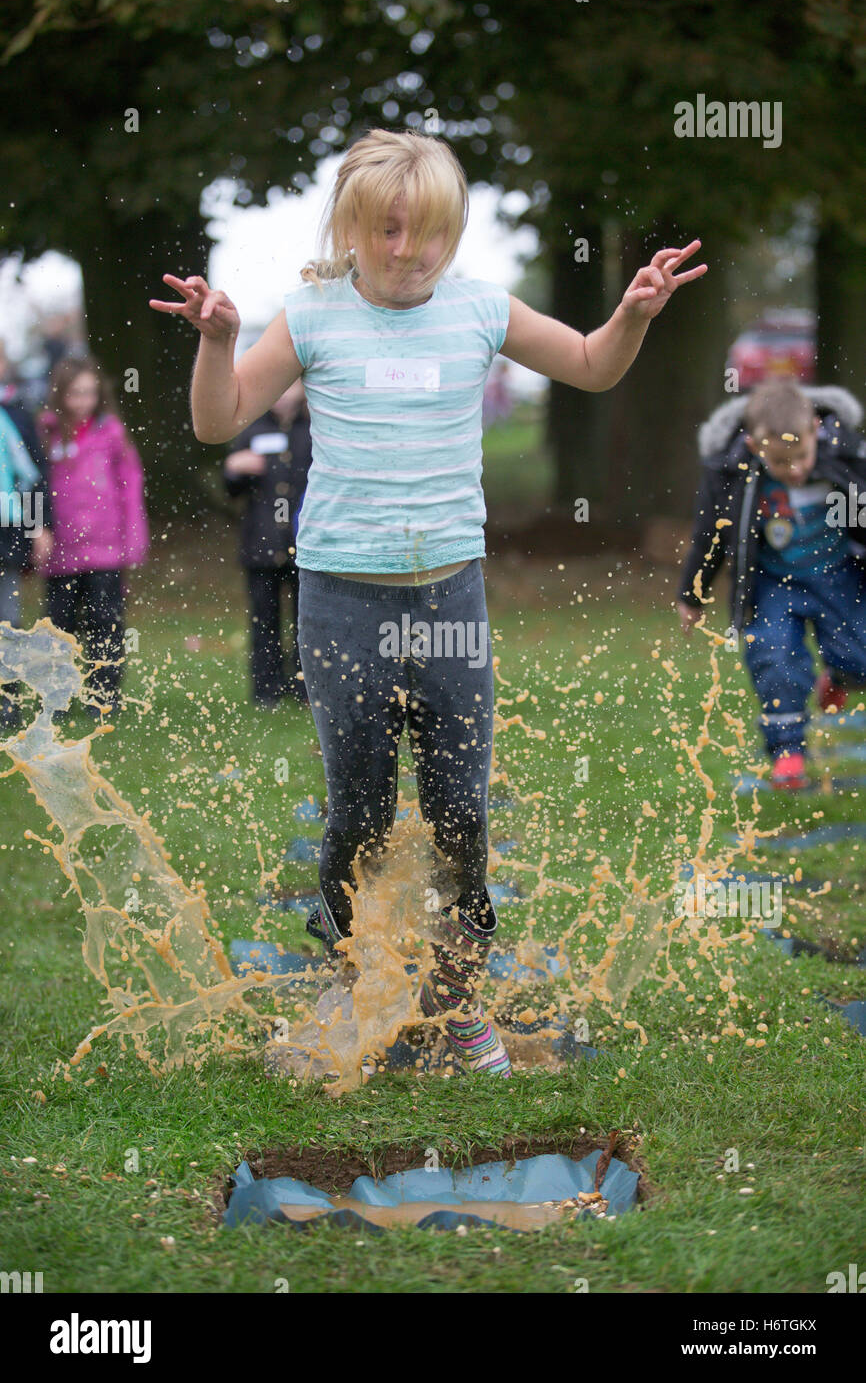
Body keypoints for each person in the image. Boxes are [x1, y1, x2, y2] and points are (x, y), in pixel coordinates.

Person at [151, 126, 706, 1075]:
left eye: (431, 234)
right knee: (356, 811)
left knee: (460, 811)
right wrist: (218, 343)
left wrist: (635, 316)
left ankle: (457, 1007)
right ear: (353, 228)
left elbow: (588, 364)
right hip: (340, 600)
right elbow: (216, 419)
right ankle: (357, 981)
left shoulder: (481, 309)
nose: (410, 253)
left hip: (450, 596)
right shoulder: (315, 313)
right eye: (388, 232)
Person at [677, 377, 866, 789]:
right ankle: (787, 752)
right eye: (781, 463)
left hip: (838, 575)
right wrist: (692, 594)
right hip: (774, 583)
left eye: (801, 456)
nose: (794, 470)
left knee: (861, 655)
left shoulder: (848, 454)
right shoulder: (731, 473)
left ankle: (840, 678)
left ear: (815, 430)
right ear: (752, 446)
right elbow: (710, 533)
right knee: (774, 657)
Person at [38, 356, 149, 717]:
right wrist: (34, 533)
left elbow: (130, 487)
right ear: (60, 395)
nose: (82, 401)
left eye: (89, 393)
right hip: (61, 551)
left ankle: (104, 697)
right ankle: (56, 697)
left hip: (106, 549)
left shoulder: (111, 432)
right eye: (75, 394)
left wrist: (133, 542)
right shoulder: (45, 432)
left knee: (106, 622)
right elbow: (33, 485)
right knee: (59, 626)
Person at [222, 379, 311, 706]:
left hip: (305, 545)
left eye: (291, 386)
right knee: (264, 620)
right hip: (261, 543)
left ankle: (306, 688)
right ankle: (266, 689)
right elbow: (231, 488)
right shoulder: (253, 430)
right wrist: (235, 470)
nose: (283, 395)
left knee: (307, 621)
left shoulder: (313, 430)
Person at [0, 342, 54, 732]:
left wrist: (37, 527)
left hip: (6, 532)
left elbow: (32, 478)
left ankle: (6, 708)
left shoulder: (18, 416)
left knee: (7, 621)